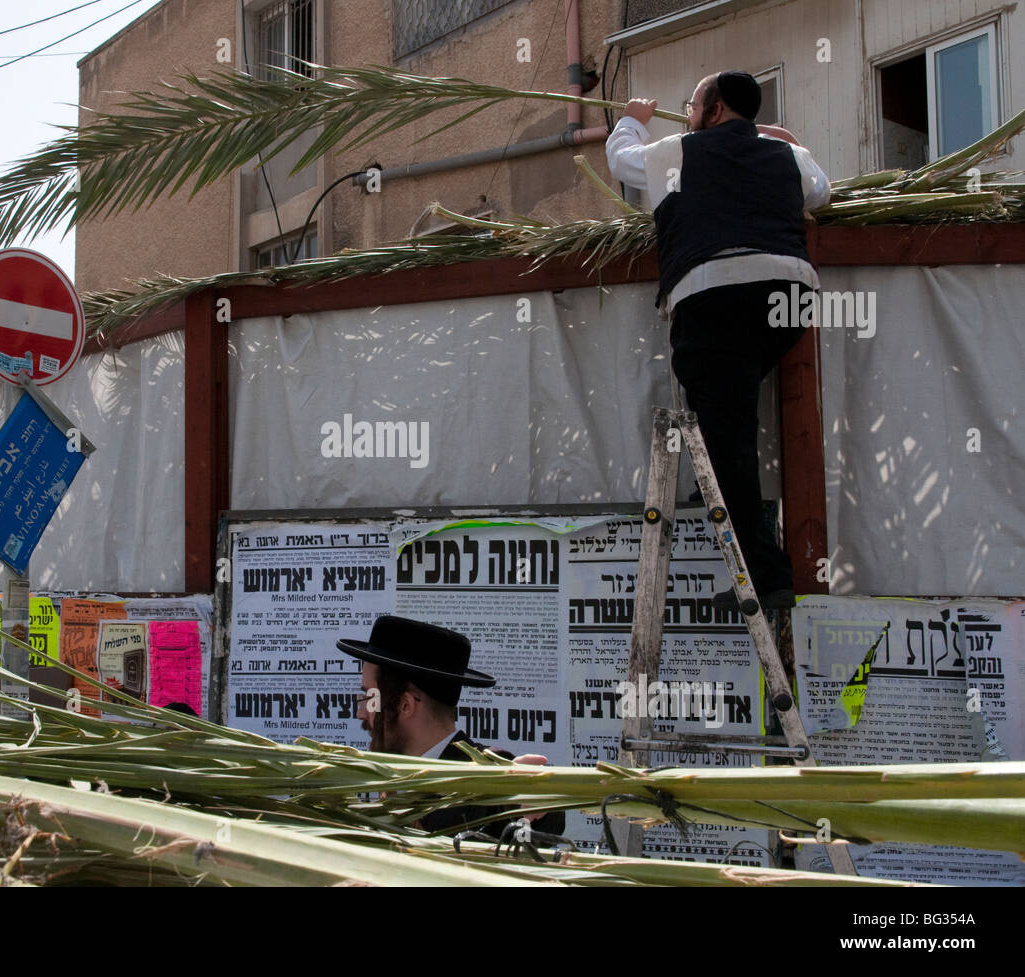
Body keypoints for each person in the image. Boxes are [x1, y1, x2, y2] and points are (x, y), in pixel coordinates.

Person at [605, 70, 831, 611]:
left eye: (694, 104)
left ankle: (767, 577)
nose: (687, 114)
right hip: (787, 298)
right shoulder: (785, 157)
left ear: (718, 108)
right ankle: (726, 500)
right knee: (730, 414)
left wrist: (632, 119)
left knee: (728, 438)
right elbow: (821, 192)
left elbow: (623, 161)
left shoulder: (681, 151)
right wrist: (783, 138)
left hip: (717, 298)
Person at [336, 615, 565, 839]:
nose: (360, 712)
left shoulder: (487, 778)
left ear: (404, 705)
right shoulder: (396, 781)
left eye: (369, 696)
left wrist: (533, 801)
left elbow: (536, 823)